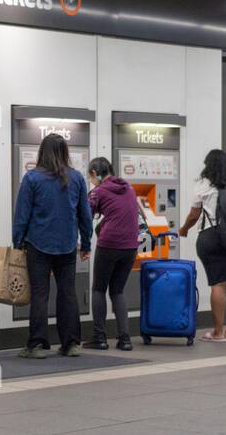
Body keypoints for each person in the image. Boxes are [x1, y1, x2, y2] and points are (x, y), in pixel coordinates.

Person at [12, 133, 93, 358]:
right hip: (67, 244)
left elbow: (22, 215)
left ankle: (36, 345)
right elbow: (85, 215)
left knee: (40, 294)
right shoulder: (76, 178)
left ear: (42, 152)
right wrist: (86, 243)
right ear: (65, 152)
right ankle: (71, 344)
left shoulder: (32, 178)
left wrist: (17, 242)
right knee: (68, 293)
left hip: (37, 244)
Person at [177, 148, 226, 342]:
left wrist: (183, 229)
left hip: (213, 236)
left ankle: (218, 332)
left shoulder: (203, 185)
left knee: (218, 283)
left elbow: (194, 215)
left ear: (208, 166)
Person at [83, 157, 140, 351]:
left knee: (99, 288)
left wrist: (82, 242)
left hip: (109, 245)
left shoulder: (98, 191)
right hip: (131, 246)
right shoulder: (128, 188)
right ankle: (125, 339)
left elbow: (85, 216)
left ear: (94, 173)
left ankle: (100, 337)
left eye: (90, 176)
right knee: (117, 291)